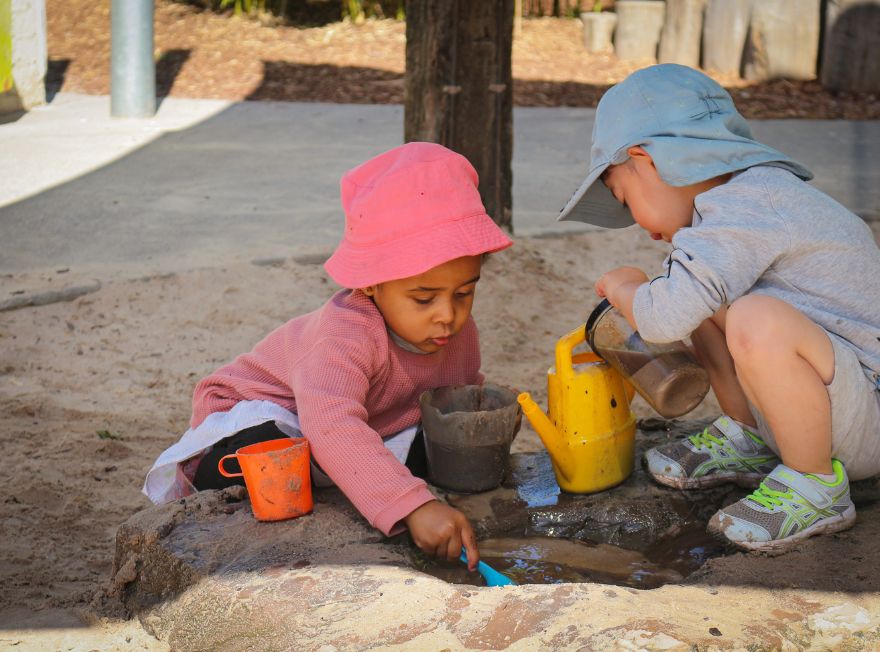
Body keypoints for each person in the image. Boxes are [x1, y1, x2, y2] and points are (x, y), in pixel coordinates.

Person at [558, 64, 880, 554]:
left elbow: (662, 317)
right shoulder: (727, 212)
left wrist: (626, 288)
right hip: (833, 401)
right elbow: (686, 305)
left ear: (646, 161)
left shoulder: (753, 203)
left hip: (869, 413)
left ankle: (817, 486)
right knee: (705, 297)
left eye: (624, 199)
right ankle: (751, 436)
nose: (638, 225)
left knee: (750, 316)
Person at [143, 142, 513, 568]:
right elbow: (331, 424)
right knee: (275, 453)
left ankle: (349, 480)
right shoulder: (346, 332)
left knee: (434, 450)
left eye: (465, 292)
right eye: (423, 298)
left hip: (365, 425)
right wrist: (413, 506)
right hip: (268, 419)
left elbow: (457, 399)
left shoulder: (458, 333)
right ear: (371, 283)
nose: (448, 316)